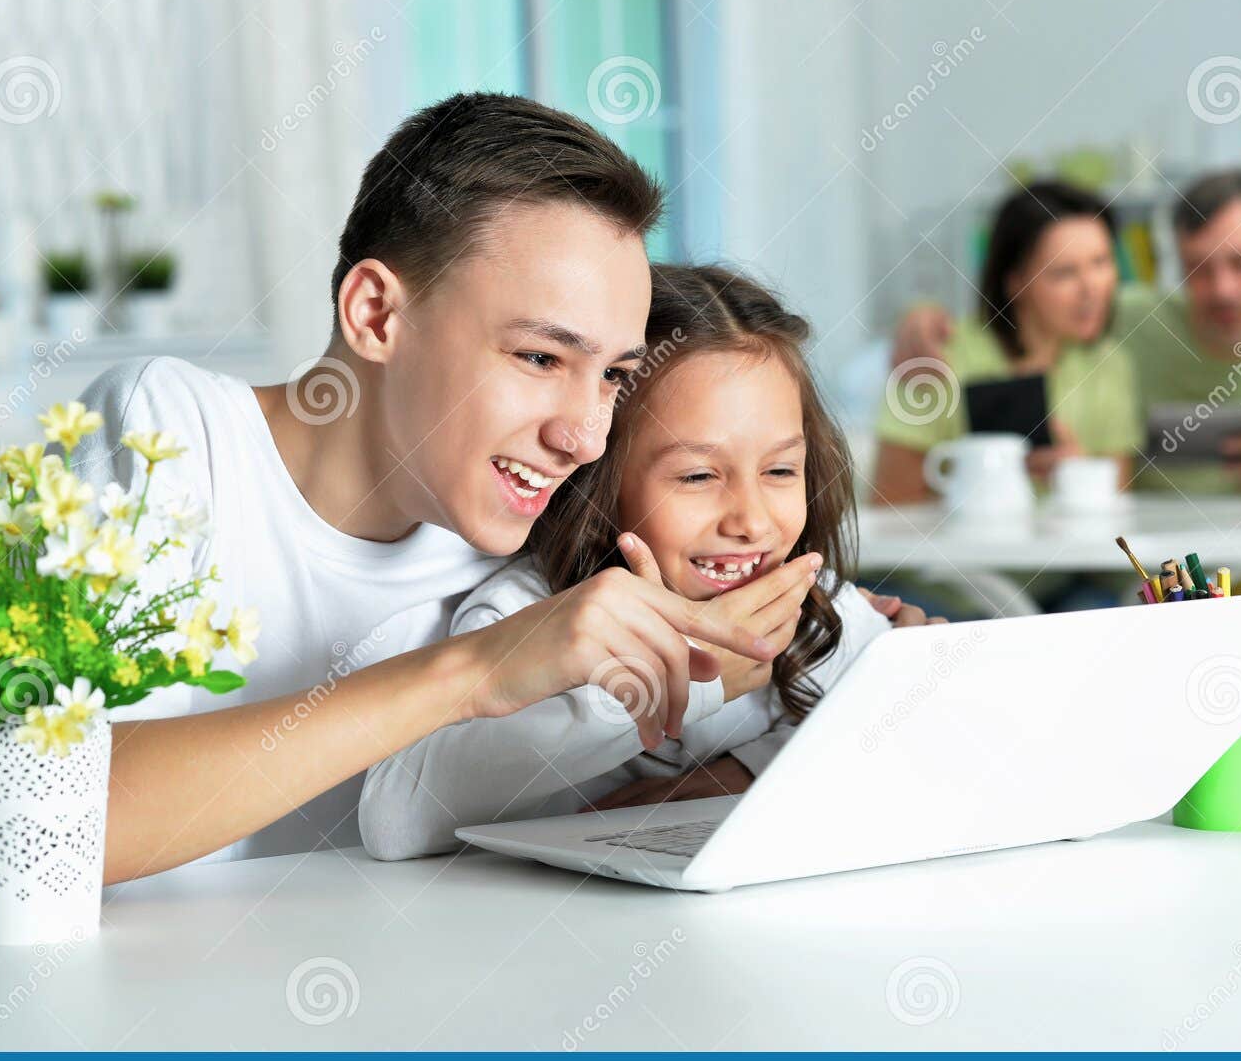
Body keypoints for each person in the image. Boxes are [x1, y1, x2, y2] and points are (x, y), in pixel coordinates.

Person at [72, 94, 911, 885]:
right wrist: (473, 670)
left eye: (614, 376)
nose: (584, 436)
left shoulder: (527, 523)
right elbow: (41, 824)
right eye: (540, 358)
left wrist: (828, 676)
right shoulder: (169, 438)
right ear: (374, 315)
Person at [361, 265, 910, 859]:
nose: (751, 521)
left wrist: (753, 769)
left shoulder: (812, 611)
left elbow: (925, 737)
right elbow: (397, 826)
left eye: (779, 471)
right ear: (603, 481)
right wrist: (681, 688)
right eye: (698, 476)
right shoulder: (525, 618)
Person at [891, 168, 1241, 504]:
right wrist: (920, 317)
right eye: (1199, 269)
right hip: (1150, 578)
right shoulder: (1122, 321)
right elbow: (1032, 305)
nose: (1223, 290)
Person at [872, 180, 1140, 506]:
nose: (1091, 289)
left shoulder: (1109, 364)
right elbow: (890, 506)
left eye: (1101, 263)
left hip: (1067, 555)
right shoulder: (938, 354)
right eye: (1064, 273)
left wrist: (1077, 473)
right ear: (1015, 283)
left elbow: (1119, 502)